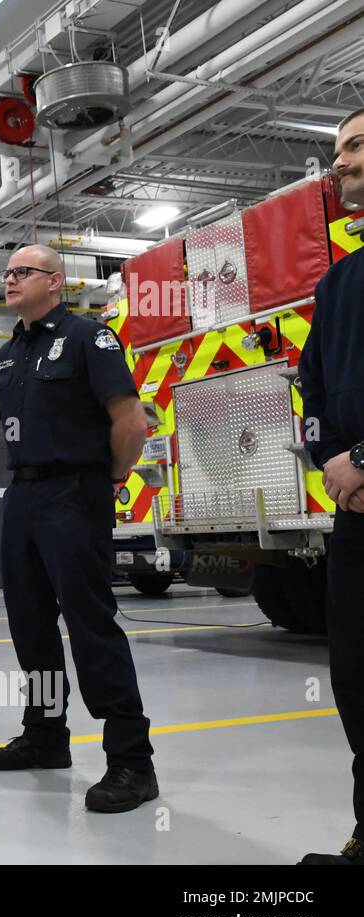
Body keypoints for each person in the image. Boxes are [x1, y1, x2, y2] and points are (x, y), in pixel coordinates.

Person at [0, 244, 157, 813]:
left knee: (89, 623)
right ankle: (46, 736)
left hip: (75, 493)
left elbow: (131, 421)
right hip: (25, 495)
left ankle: (131, 761)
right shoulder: (8, 354)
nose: (10, 279)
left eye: (23, 271)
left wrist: (107, 476)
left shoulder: (89, 338)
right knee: (29, 623)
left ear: (55, 282)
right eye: (7, 272)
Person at [296, 107, 364, 865]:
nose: (337, 163)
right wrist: (334, 464)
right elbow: (313, 389)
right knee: (354, 671)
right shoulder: (341, 282)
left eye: (352, 147)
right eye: (336, 150)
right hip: (356, 513)